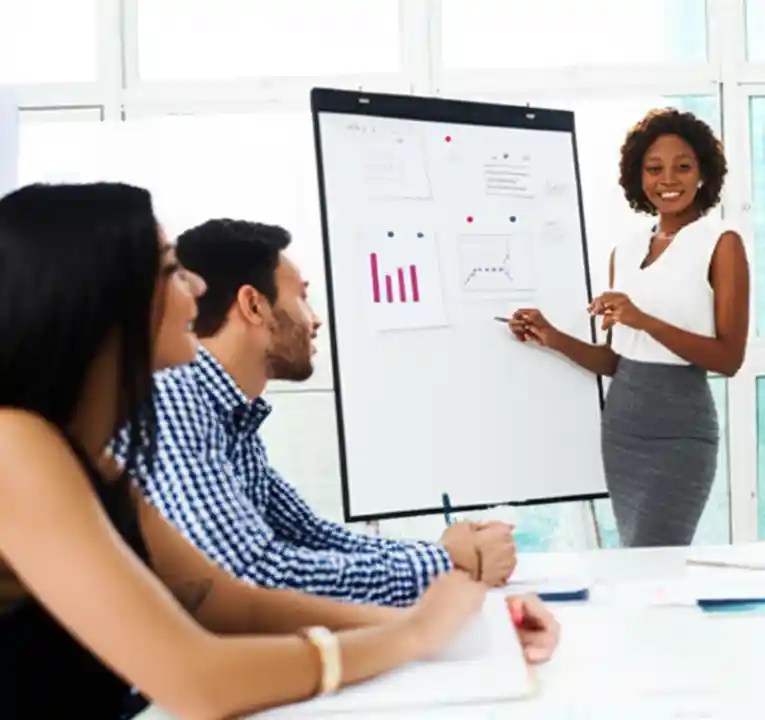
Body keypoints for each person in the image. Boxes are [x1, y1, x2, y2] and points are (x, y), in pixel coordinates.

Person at [0, 183, 559, 718]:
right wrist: (414, 633)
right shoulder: (15, 446)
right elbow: (199, 680)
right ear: (105, 297)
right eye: (172, 271)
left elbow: (229, 602)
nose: (197, 287)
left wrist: (467, 627)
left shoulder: (91, 460)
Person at [116, 219, 517, 607]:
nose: (316, 319)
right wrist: (445, 562)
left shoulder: (232, 415)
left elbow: (312, 536)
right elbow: (251, 578)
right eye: (303, 298)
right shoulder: (174, 395)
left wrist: (447, 554)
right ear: (253, 305)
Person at [507, 108, 750, 547]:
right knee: (636, 558)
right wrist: (552, 336)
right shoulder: (625, 250)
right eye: (654, 168)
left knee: (658, 555)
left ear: (703, 174)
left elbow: (729, 358)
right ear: (638, 176)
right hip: (622, 428)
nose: (667, 179)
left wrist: (644, 320)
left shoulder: (721, 243)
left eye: (682, 166)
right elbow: (615, 360)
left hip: (679, 431)